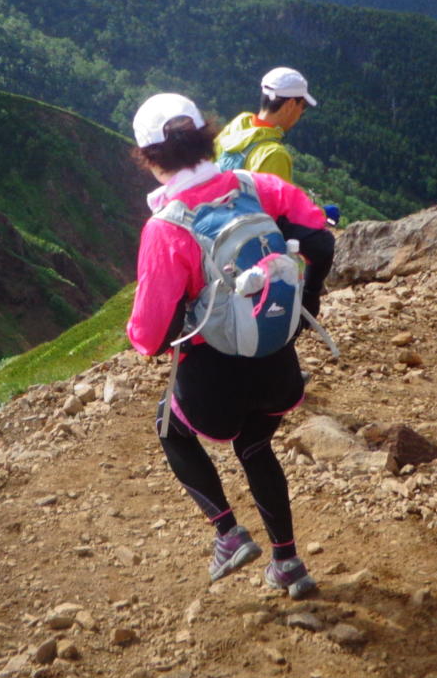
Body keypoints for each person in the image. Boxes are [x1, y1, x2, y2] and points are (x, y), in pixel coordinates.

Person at [125, 92, 336, 599]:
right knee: (257, 446)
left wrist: (159, 336)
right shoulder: (256, 187)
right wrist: (307, 305)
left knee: (170, 429)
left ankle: (227, 532)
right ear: (207, 136)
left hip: (214, 374)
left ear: (149, 156)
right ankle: (287, 562)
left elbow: (149, 335)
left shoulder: (166, 227)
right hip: (276, 359)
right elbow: (321, 238)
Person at [214, 66, 318, 180]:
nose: (301, 113)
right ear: (291, 105)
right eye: (303, 106)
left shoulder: (237, 124)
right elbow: (276, 197)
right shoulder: (275, 155)